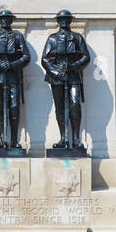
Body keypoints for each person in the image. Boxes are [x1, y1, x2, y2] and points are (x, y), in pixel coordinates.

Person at [0, 8, 30, 151]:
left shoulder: (17, 37)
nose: (5, 21)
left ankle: (14, 140)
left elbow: (25, 56)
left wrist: (12, 64)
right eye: (2, 19)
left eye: (8, 19)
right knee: (0, 110)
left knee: (14, 109)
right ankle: (3, 138)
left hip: (13, 76)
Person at [40, 9, 90, 150]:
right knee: (60, 108)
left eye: (67, 19)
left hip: (73, 75)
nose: (64, 22)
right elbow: (45, 59)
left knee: (75, 106)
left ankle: (75, 138)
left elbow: (85, 57)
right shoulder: (52, 38)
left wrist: (73, 66)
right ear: (58, 21)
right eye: (61, 19)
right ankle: (63, 137)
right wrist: (56, 72)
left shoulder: (77, 37)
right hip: (56, 77)